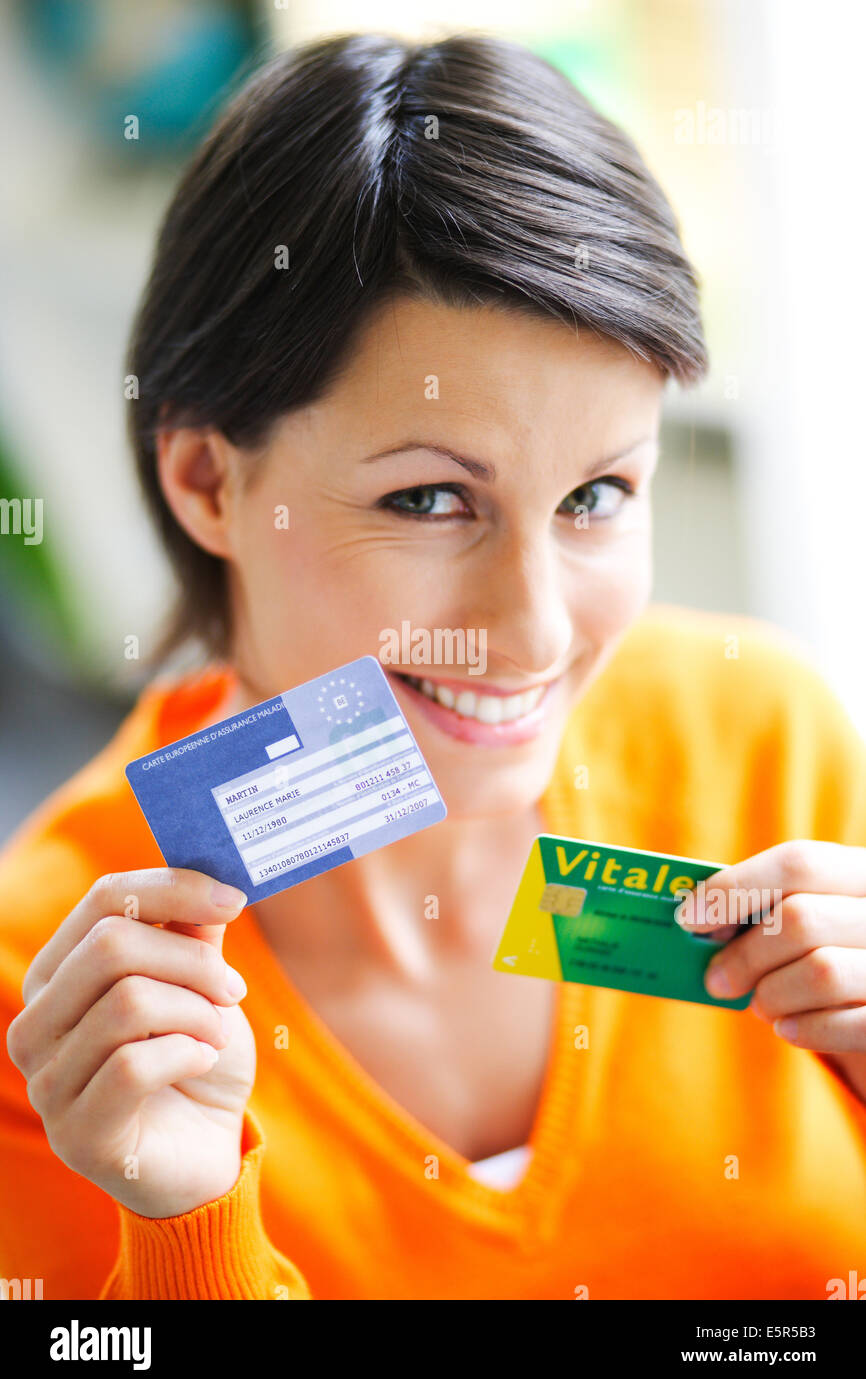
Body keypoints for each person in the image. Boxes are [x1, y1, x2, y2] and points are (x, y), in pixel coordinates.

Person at [2, 31, 865, 1302]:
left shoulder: (763, 742)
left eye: (595, 494)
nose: (530, 632)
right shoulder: (48, 995)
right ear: (206, 481)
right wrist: (185, 1230)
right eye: (424, 500)